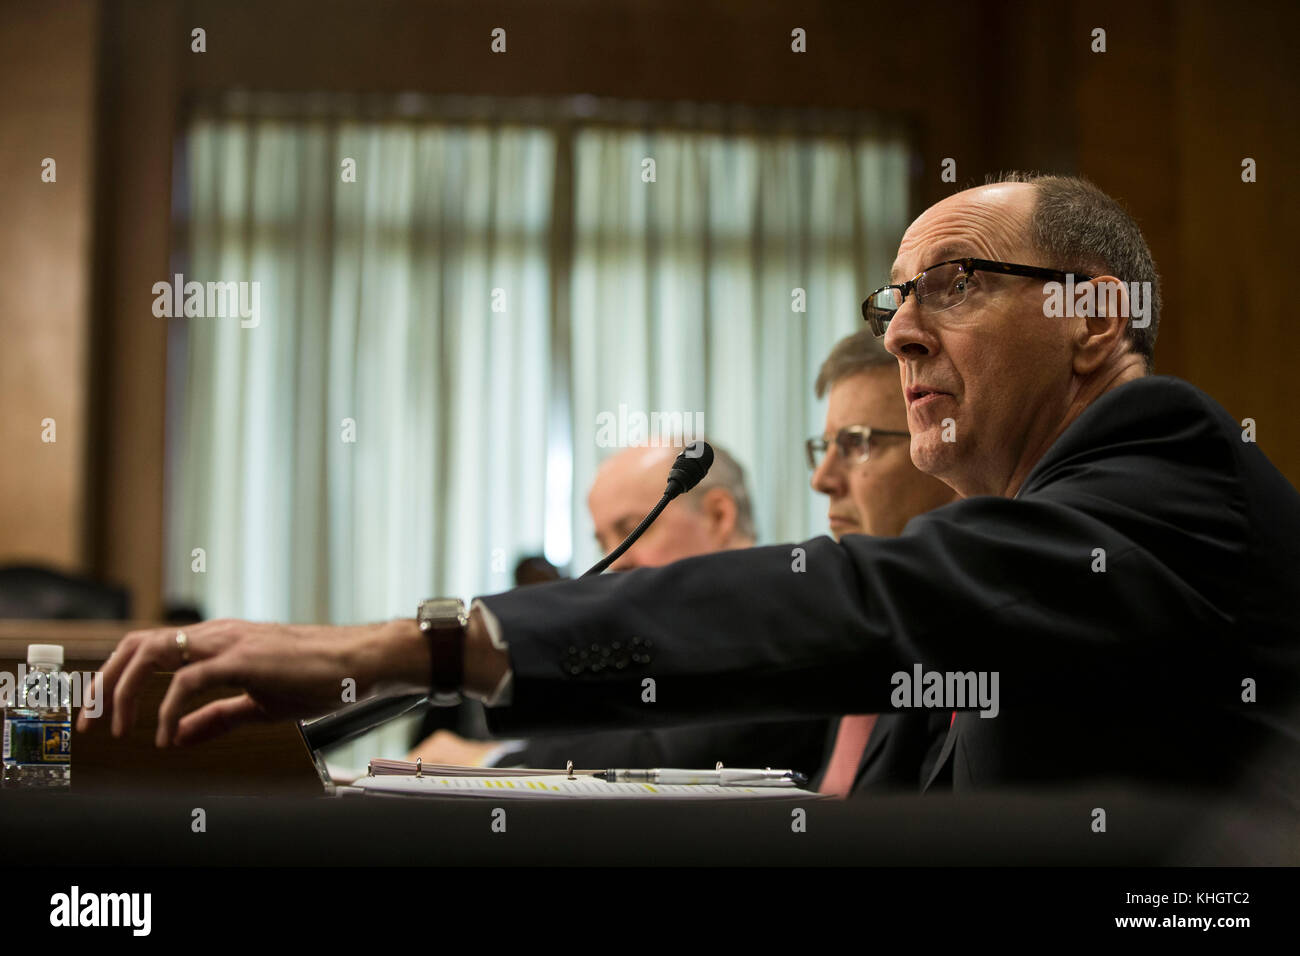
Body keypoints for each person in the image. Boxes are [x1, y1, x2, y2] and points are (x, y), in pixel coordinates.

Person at [81, 174, 1300, 804]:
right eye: (894, 300)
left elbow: (856, 603)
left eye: (954, 282)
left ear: (1093, 314)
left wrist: (414, 647)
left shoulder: (1164, 460)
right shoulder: (1016, 547)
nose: (906, 332)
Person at [406, 441, 829, 775]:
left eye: (631, 529)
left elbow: (679, 754)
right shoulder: (658, 631)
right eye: (602, 541)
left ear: (719, 516)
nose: (616, 557)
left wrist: (490, 762)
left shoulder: (784, 610)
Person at [806, 331, 956, 795]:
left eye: (857, 444)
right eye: (825, 446)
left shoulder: (963, 656)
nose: (822, 479)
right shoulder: (853, 631)